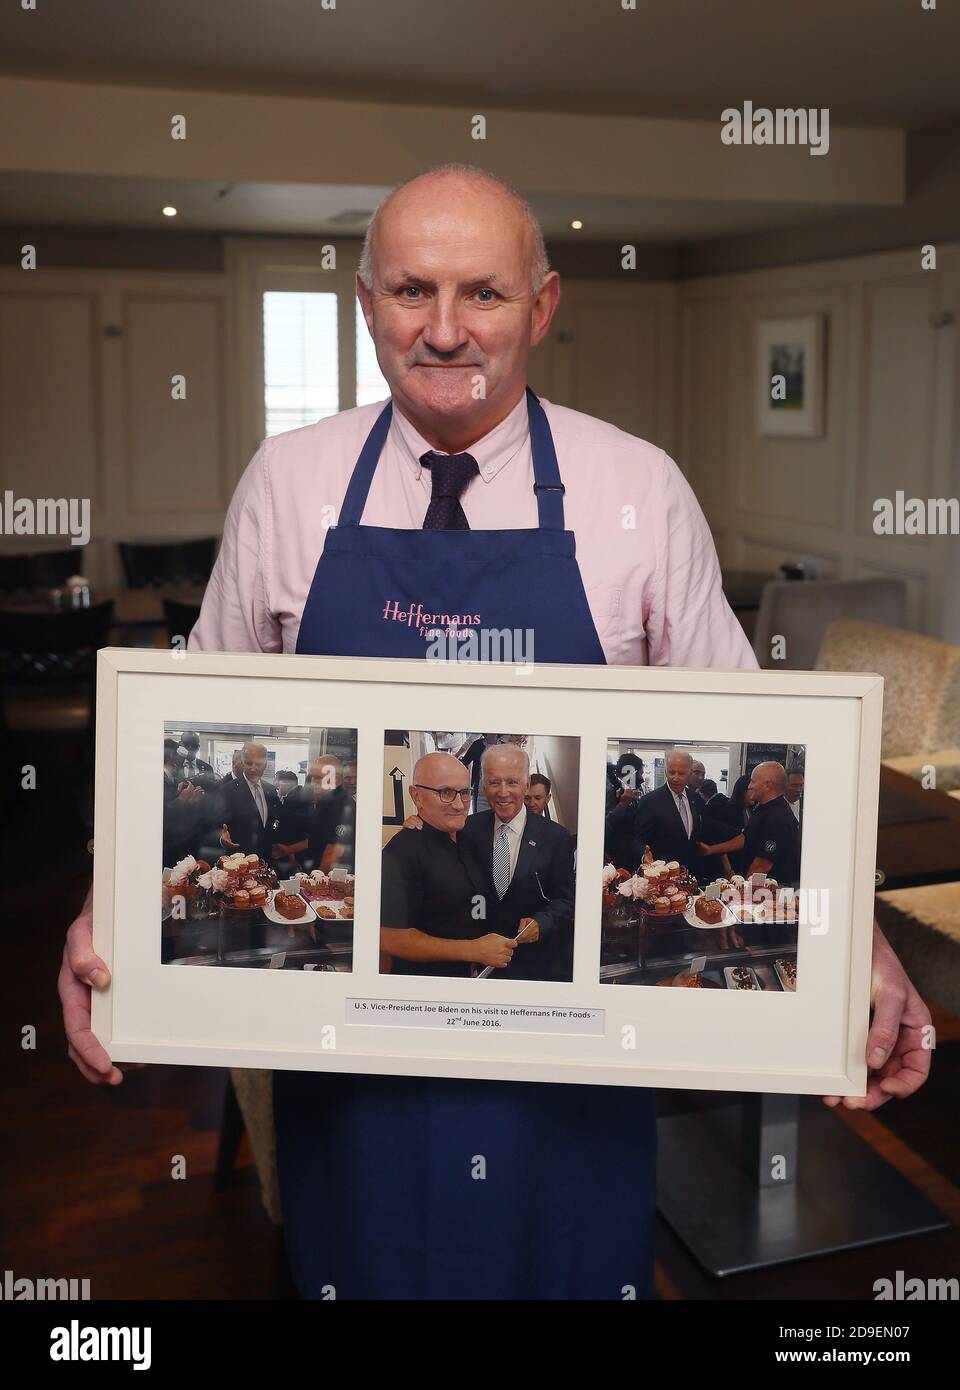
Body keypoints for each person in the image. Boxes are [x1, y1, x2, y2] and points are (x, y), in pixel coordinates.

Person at [61, 162, 930, 1303]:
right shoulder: (289, 484)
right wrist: (108, 902)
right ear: (365, 302)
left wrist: (850, 945)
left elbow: (758, 731)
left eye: (485, 293)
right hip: (352, 1046)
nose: (445, 329)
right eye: (412, 291)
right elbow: (193, 727)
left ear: (546, 305)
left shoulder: (638, 490)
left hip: (575, 1054)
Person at [380, 752, 514, 977]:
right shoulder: (403, 851)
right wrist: (473, 950)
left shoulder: (467, 835)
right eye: (446, 793)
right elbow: (390, 938)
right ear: (417, 796)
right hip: (424, 988)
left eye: (464, 792)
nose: (459, 804)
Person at [460, 745, 575, 981]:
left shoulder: (556, 837)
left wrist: (541, 923)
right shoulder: (466, 830)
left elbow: (566, 900)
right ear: (483, 785)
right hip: (482, 966)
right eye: (494, 782)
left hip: (537, 966)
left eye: (511, 782)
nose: (503, 793)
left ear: (526, 784)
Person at [698, 761, 801, 888]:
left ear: (767, 785)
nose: (749, 786)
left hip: (772, 891)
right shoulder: (762, 807)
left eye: (753, 781)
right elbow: (745, 838)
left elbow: (762, 866)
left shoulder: (778, 818)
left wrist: (740, 892)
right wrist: (711, 850)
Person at [630, 749, 701, 874]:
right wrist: (644, 856)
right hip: (662, 878)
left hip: (691, 875)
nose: (675, 778)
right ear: (665, 771)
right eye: (671, 772)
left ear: (690, 773)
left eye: (681, 773)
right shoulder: (650, 801)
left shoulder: (696, 799)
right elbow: (637, 840)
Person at [217, 741, 281, 858]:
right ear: (242, 763)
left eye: (258, 764)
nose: (253, 768)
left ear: (265, 764)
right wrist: (222, 838)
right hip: (239, 862)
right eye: (248, 763)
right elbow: (216, 825)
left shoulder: (271, 790)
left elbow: (274, 822)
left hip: (266, 861)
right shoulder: (227, 790)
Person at [604, 752, 645, 868]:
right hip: (616, 858)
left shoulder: (634, 794)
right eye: (640, 774)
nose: (641, 779)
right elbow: (606, 824)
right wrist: (623, 805)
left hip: (632, 855)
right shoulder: (612, 793)